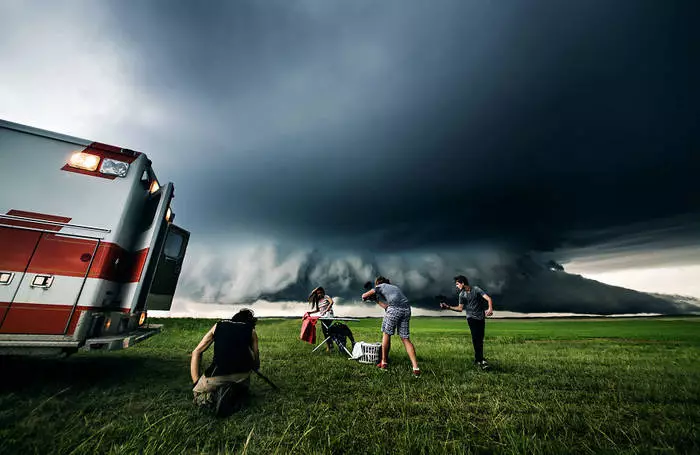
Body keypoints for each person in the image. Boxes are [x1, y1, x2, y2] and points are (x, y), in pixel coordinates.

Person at [190, 308, 260, 415]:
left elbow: (196, 352)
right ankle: (236, 395)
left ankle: (210, 398)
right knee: (241, 387)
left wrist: (196, 383)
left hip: (216, 376)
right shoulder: (251, 331)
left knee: (198, 394)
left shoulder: (218, 325)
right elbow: (256, 362)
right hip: (242, 377)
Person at [362, 276, 421, 377]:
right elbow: (387, 307)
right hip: (406, 310)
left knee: (386, 334)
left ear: (378, 283)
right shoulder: (394, 288)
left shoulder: (380, 286)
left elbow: (363, 296)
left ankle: (384, 362)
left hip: (394, 310)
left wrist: (367, 297)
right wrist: (376, 300)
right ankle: (416, 368)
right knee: (405, 338)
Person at [440, 275, 494, 370]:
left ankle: (478, 359)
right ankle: (481, 361)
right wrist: (448, 307)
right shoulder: (462, 295)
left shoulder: (476, 289)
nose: (457, 286)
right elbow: (460, 308)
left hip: (481, 317)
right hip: (471, 318)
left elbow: (488, 299)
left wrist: (490, 308)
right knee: (475, 337)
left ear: (462, 283)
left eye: (457, 284)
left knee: (480, 338)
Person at [307, 286, 335, 352]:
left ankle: (330, 347)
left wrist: (328, 308)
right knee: (325, 332)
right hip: (323, 316)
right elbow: (317, 310)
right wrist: (310, 312)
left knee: (326, 331)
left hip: (329, 316)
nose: (319, 294)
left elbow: (331, 302)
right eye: (318, 293)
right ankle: (330, 346)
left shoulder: (326, 297)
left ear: (323, 292)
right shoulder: (318, 300)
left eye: (320, 292)